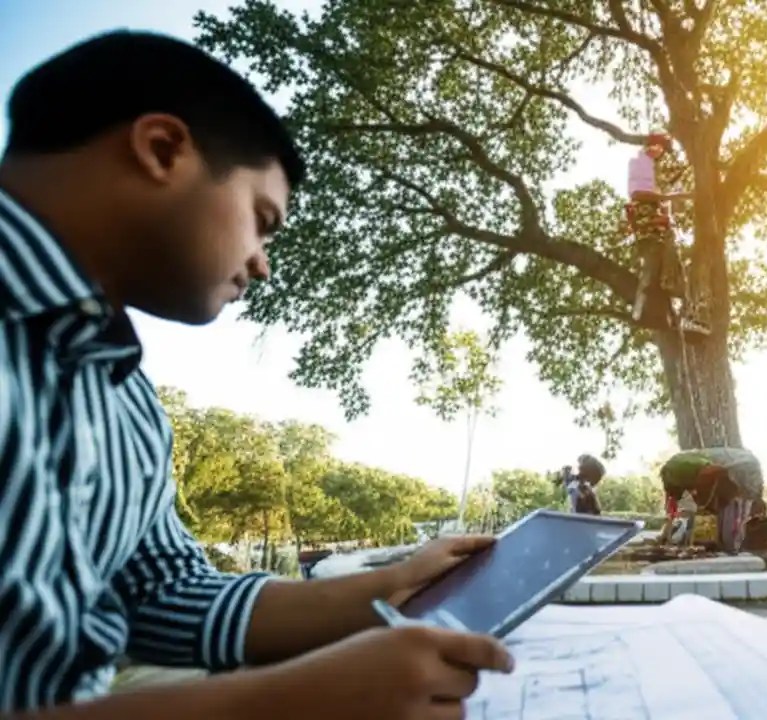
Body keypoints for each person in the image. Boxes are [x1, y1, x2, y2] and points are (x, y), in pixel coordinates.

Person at [0, 31, 512, 716]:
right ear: (160, 150)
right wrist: (293, 702)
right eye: (261, 220)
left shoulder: (124, 397)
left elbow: (166, 597)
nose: (263, 263)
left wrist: (393, 586)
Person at [624, 133, 706, 333]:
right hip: (648, 228)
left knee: (673, 271)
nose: (660, 152)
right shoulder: (640, 162)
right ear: (653, 145)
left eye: (662, 149)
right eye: (659, 147)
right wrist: (673, 195)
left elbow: (661, 199)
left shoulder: (655, 171)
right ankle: (641, 312)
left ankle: (684, 317)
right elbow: (637, 193)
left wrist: (668, 207)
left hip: (660, 229)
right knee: (652, 269)